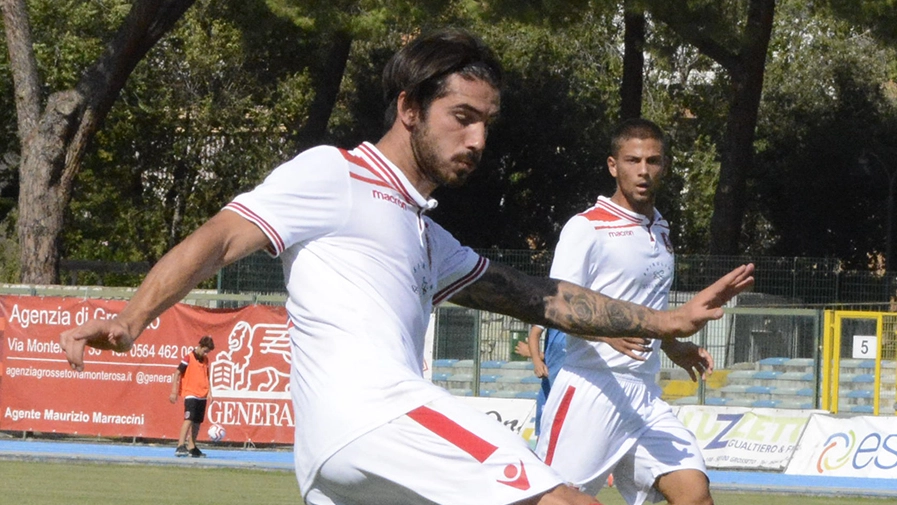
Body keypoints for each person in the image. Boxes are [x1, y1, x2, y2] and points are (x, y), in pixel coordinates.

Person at [60, 29, 753, 505]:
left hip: (335, 461)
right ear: (408, 108)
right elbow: (218, 238)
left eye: (487, 122)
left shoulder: (422, 233)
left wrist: (665, 320)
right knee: (560, 498)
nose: (477, 138)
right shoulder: (333, 173)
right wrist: (134, 314)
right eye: (462, 116)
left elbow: (536, 296)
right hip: (379, 416)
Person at [535, 118, 718, 505]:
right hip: (592, 387)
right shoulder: (586, 228)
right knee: (550, 500)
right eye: (633, 160)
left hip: (646, 395)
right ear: (612, 165)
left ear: (664, 166)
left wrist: (671, 345)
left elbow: (649, 307)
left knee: (694, 494)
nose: (643, 170)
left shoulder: (661, 230)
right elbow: (556, 302)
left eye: (653, 161)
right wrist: (605, 330)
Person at [169, 335, 215, 457]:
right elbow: (177, 372)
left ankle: (192, 446)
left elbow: (207, 375)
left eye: (208, 352)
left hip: (202, 394)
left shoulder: (205, 360)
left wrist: (210, 391)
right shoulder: (188, 357)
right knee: (188, 419)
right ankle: (180, 445)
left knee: (197, 422)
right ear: (199, 346)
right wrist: (174, 391)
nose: (206, 354)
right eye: (205, 351)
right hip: (191, 393)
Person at [525, 324, 566, 438]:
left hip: (573, 375)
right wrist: (537, 361)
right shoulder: (553, 308)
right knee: (544, 429)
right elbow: (535, 333)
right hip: (551, 375)